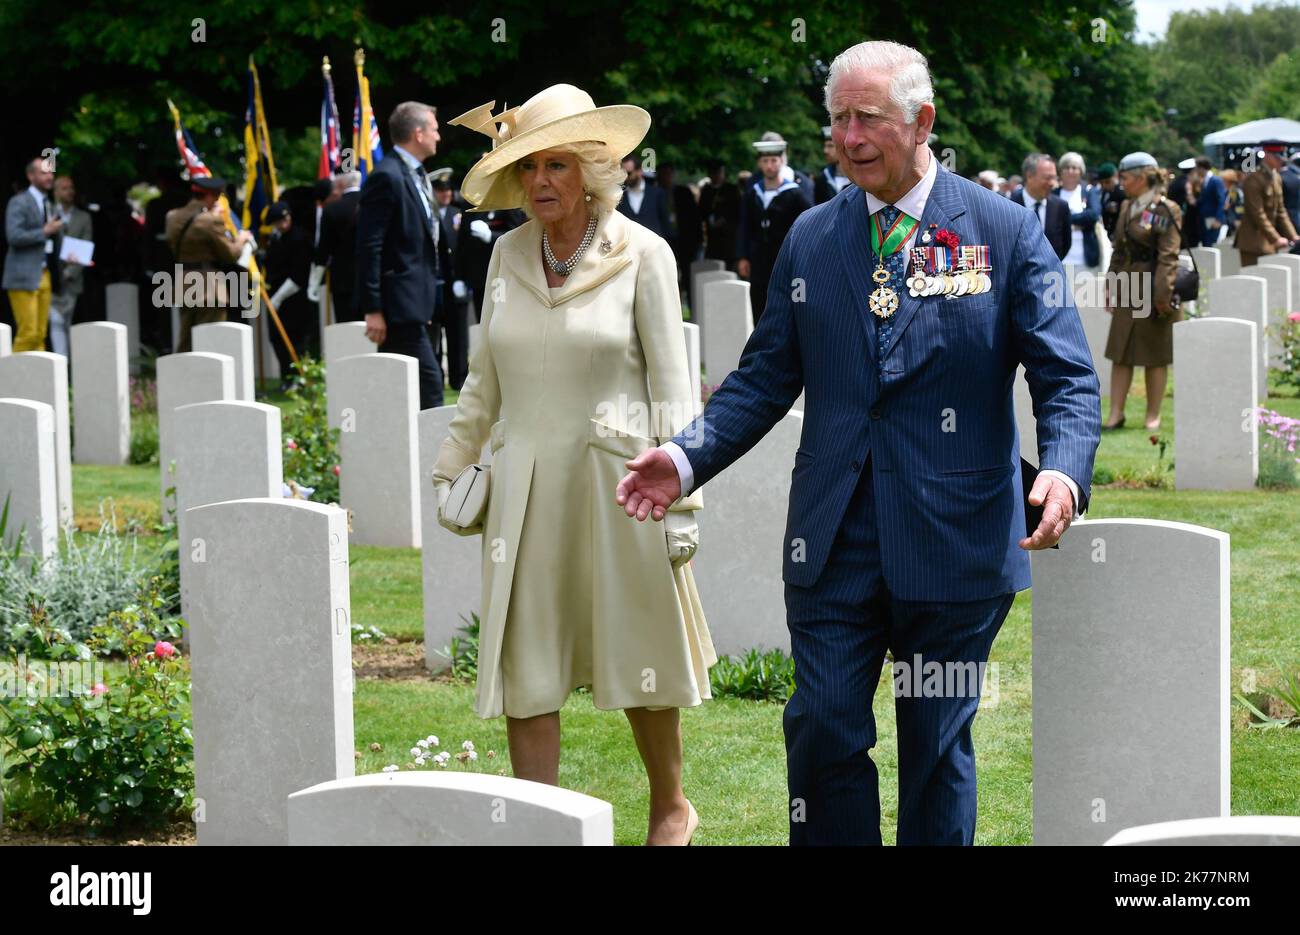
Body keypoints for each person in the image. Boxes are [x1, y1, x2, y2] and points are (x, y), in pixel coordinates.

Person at [616, 40, 1100, 846]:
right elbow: (765, 377)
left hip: (956, 539)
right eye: (836, 120)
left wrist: (1062, 470)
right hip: (833, 537)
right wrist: (686, 454)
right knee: (823, 728)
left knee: (935, 745)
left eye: (866, 117)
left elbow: (1069, 378)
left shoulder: (1004, 233)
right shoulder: (811, 238)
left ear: (923, 122)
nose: (847, 137)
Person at [434, 84, 711, 846]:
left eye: (556, 164)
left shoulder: (644, 253)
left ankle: (670, 806)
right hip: (524, 490)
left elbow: (672, 390)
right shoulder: (505, 254)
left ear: (592, 171)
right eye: (528, 168)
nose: (541, 182)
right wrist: (450, 468)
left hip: (623, 487)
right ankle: (538, 826)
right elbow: (482, 381)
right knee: (529, 666)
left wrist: (682, 500)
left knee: (642, 655)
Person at [354, 100, 445, 409]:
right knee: (430, 384)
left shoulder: (417, 176)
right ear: (418, 134)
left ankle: (402, 449)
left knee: (404, 389)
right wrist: (373, 308)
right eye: (434, 130)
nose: (439, 137)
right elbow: (370, 245)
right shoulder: (387, 177)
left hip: (420, 301)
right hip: (397, 305)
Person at [1102, 152, 1182, 432]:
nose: (1120, 182)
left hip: (1153, 287)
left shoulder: (1164, 209)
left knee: (1154, 355)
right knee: (1120, 352)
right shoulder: (1127, 207)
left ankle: (1152, 414)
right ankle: (1116, 413)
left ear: (1139, 178)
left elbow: (1168, 256)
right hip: (1128, 287)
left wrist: (1162, 296)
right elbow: (1118, 250)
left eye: (1124, 177)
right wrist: (1111, 284)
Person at [164, 175, 252, 353]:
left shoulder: (172, 217)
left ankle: (184, 377)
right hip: (209, 285)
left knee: (186, 340)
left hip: (184, 281)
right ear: (210, 196)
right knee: (211, 341)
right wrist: (241, 239)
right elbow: (230, 254)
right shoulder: (210, 220)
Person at [738, 132, 812, 323]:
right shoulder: (753, 192)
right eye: (765, 161)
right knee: (759, 308)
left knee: (785, 308)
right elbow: (745, 224)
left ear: (781, 161)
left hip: (785, 257)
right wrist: (743, 256)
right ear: (759, 163)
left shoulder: (795, 194)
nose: (769, 165)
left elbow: (810, 224)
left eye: (774, 160)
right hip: (758, 260)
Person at [4, 156, 64, 353]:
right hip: (23, 275)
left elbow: (53, 240)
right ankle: (12, 380)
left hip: (45, 273)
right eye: (44, 173)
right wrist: (45, 231)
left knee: (40, 334)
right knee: (28, 333)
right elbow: (14, 236)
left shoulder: (50, 204)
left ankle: (37, 382)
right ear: (31, 176)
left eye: (51, 172)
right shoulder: (19, 202)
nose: (50, 177)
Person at [262, 201, 315, 388]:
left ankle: (298, 378)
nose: (282, 224)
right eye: (277, 222)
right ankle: (287, 377)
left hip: (294, 299)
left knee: (296, 339)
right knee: (276, 339)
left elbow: (299, 276)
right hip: (275, 296)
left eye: (284, 220)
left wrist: (277, 299)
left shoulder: (300, 239)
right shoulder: (276, 239)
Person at [430, 167, 473, 389]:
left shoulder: (459, 215)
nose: (445, 194)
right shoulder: (429, 215)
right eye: (440, 190)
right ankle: (435, 378)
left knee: (458, 336)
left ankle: (459, 379)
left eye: (448, 190)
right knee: (433, 335)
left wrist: (462, 278)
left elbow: (464, 249)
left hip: (455, 281)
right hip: (435, 284)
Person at [47, 175, 92, 357]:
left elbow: (86, 247)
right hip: (50, 278)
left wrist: (69, 272)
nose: (70, 192)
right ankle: (62, 365)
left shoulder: (84, 217)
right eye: (65, 188)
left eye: (71, 188)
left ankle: (71, 365)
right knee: (55, 322)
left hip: (72, 279)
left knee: (69, 322)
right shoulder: (48, 213)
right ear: (56, 192)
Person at [309, 171, 362, 323]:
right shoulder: (374, 202)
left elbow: (324, 250)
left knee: (346, 328)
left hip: (343, 281)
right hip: (373, 280)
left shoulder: (332, 210)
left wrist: (314, 282)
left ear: (339, 185)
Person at [1235, 141, 1299, 267]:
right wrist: (1275, 238)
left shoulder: (1276, 177)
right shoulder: (1254, 179)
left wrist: (1293, 235)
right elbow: (1257, 213)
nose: (1281, 161)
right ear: (1267, 156)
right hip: (1253, 242)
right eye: (1277, 157)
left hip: (1269, 241)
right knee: (1253, 281)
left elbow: (1281, 211)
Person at [1011, 153, 1070, 260]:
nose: (1053, 183)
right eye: (1048, 178)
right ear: (1029, 176)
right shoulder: (1010, 205)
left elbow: (1066, 244)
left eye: (1054, 178)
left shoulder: (1061, 207)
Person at [657, 163, 701, 291]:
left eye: (669, 174)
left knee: (687, 274)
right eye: (664, 174)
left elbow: (694, 217)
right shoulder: (656, 193)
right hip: (665, 238)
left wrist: (698, 239)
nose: (667, 177)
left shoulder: (684, 192)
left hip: (684, 239)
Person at [1055, 152, 1102, 269]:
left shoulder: (1089, 191)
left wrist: (1065, 219)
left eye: (1074, 168)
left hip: (1085, 259)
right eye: (1066, 167)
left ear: (1081, 171)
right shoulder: (1053, 194)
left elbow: (1093, 215)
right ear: (1060, 171)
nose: (1070, 171)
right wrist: (1079, 221)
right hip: (1058, 259)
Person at [616, 153, 672, 239]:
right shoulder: (619, 195)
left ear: (639, 171)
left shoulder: (657, 193)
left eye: (629, 173)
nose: (625, 177)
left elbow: (665, 224)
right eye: (623, 173)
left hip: (653, 246)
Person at [698, 160, 741, 269]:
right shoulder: (706, 191)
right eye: (713, 173)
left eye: (719, 172)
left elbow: (737, 211)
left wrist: (724, 220)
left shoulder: (731, 189)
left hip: (728, 238)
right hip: (712, 238)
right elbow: (702, 211)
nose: (716, 176)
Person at [814, 126, 853, 203]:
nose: (825, 151)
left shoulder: (859, 179)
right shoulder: (823, 178)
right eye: (825, 146)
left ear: (844, 147)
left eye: (830, 146)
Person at [1195, 156, 1227, 247]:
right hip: (1205, 219)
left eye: (1197, 168)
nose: (1196, 171)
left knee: (1211, 244)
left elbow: (1221, 200)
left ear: (1202, 168)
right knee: (1206, 243)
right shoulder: (1205, 181)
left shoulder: (1215, 180)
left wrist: (1218, 219)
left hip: (1213, 218)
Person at [1096, 162, 1125, 238]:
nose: (1104, 185)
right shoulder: (1103, 193)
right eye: (1101, 183)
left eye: (1108, 182)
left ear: (1116, 176)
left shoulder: (1122, 193)